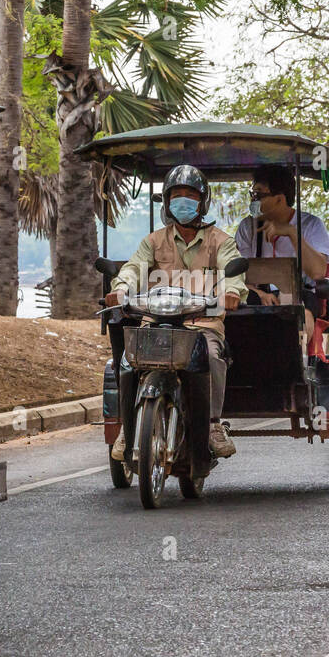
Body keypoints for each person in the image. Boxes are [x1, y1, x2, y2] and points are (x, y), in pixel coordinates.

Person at [107, 164, 247, 458]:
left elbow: (232, 270)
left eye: (190, 194)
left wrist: (231, 291)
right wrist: (121, 288)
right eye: (176, 195)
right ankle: (128, 427)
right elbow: (133, 268)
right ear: (167, 202)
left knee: (211, 356)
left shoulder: (221, 241)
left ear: (203, 201)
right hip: (156, 325)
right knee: (127, 360)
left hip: (203, 326)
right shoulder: (153, 241)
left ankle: (212, 424)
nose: (183, 201)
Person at [234, 163, 329, 344]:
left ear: (279, 199)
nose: (253, 200)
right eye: (252, 194)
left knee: (302, 305)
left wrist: (291, 233)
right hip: (258, 292)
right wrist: (259, 292)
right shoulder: (247, 227)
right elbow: (240, 273)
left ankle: (298, 358)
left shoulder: (311, 225)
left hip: (300, 293)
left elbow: (318, 272)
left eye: (258, 194)